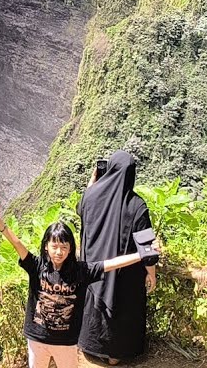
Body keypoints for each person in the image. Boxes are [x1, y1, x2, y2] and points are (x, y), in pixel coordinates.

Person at [0, 197, 150, 368]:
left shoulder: (81, 271)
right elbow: (16, 243)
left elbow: (111, 264)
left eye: (64, 247)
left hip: (66, 342)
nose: (59, 252)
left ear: (70, 248)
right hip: (37, 339)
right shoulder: (36, 266)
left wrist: (141, 255)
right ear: (46, 246)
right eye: (54, 246)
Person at [77, 151, 158, 365]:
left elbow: (80, 208)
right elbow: (147, 247)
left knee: (93, 303)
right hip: (123, 274)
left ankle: (89, 346)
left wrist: (93, 183)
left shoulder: (90, 196)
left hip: (92, 268)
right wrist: (152, 275)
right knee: (122, 305)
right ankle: (114, 355)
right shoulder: (137, 206)